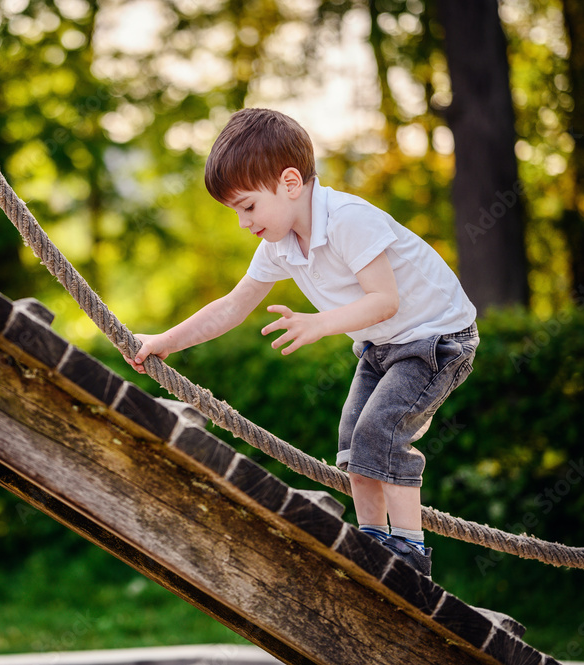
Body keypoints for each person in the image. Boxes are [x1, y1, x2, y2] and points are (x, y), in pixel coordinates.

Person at [125, 108, 478, 577]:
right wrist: (165, 341)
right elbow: (233, 306)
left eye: (247, 206)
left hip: (437, 340)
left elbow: (385, 301)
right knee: (353, 441)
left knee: (382, 432)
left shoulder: (349, 220)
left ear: (290, 182)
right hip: (382, 347)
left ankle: (410, 551)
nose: (242, 222)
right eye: (235, 211)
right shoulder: (279, 246)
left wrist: (320, 323)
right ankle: (373, 541)